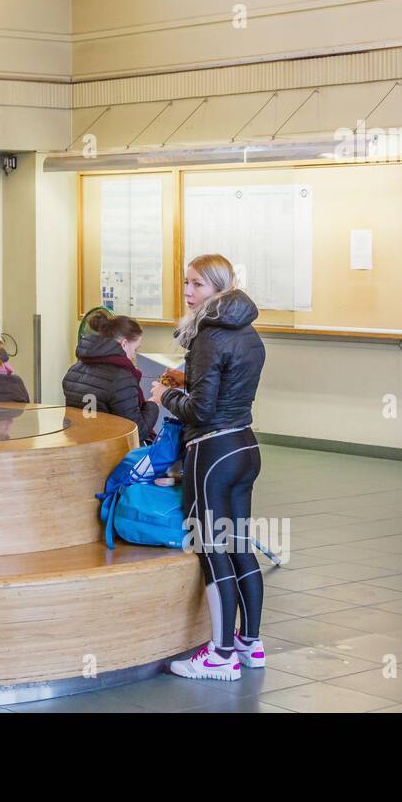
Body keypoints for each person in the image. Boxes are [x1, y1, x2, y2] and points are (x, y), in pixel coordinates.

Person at [156, 254, 266, 682]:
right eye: (185, 283)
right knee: (239, 545)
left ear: (217, 288)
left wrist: (162, 397)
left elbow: (200, 411)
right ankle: (249, 644)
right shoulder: (247, 331)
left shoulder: (207, 336)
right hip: (244, 446)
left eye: (197, 285)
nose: (187, 292)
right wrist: (187, 382)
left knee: (210, 548)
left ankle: (220, 655)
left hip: (211, 450)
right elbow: (226, 389)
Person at [63, 309, 160, 443]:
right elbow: (137, 432)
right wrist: (153, 403)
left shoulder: (74, 371)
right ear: (124, 344)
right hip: (109, 454)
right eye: (135, 349)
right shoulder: (121, 378)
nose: (133, 356)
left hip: (78, 447)